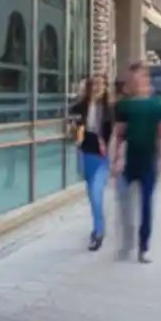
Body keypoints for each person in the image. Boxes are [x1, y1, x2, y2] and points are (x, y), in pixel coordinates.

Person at [110, 62, 161, 263]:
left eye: (138, 77)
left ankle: (143, 246)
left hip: (148, 162)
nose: (135, 82)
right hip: (129, 163)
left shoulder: (157, 105)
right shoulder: (124, 106)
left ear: (145, 79)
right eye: (132, 78)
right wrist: (116, 159)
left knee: (146, 204)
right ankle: (127, 242)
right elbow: (119, 134)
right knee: (124, 206)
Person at [69, 75, 114, 251]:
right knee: (91, 194)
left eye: (101, 84)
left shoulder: (110, 108)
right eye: (94, 84)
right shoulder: (83, 105)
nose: (97, 87)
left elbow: (117, 132)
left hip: (103, 156)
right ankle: (98, 226)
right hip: (86, 153)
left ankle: (98, 231)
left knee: (96, 194)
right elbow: (67, 113)